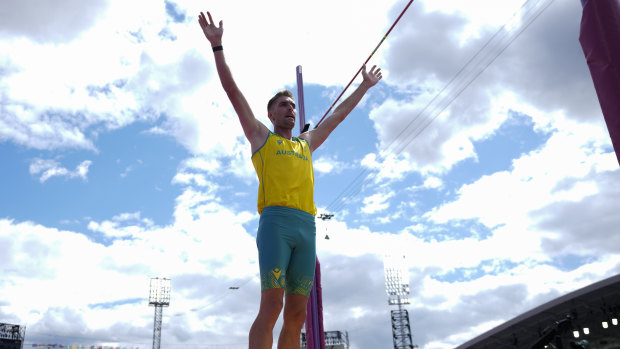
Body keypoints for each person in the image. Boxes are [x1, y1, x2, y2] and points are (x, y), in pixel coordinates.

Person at [198, 11, 382, 349]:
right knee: (272, 305)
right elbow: (232, 91)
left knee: (297, 314)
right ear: (271, 113)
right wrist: (217, 46)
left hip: (306, 226)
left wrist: (364, 87)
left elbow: (339, 115)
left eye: (293, 106)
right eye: (283, 105)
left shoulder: (306, 144)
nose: (290, 109)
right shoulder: (260, 138)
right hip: (276, 223)